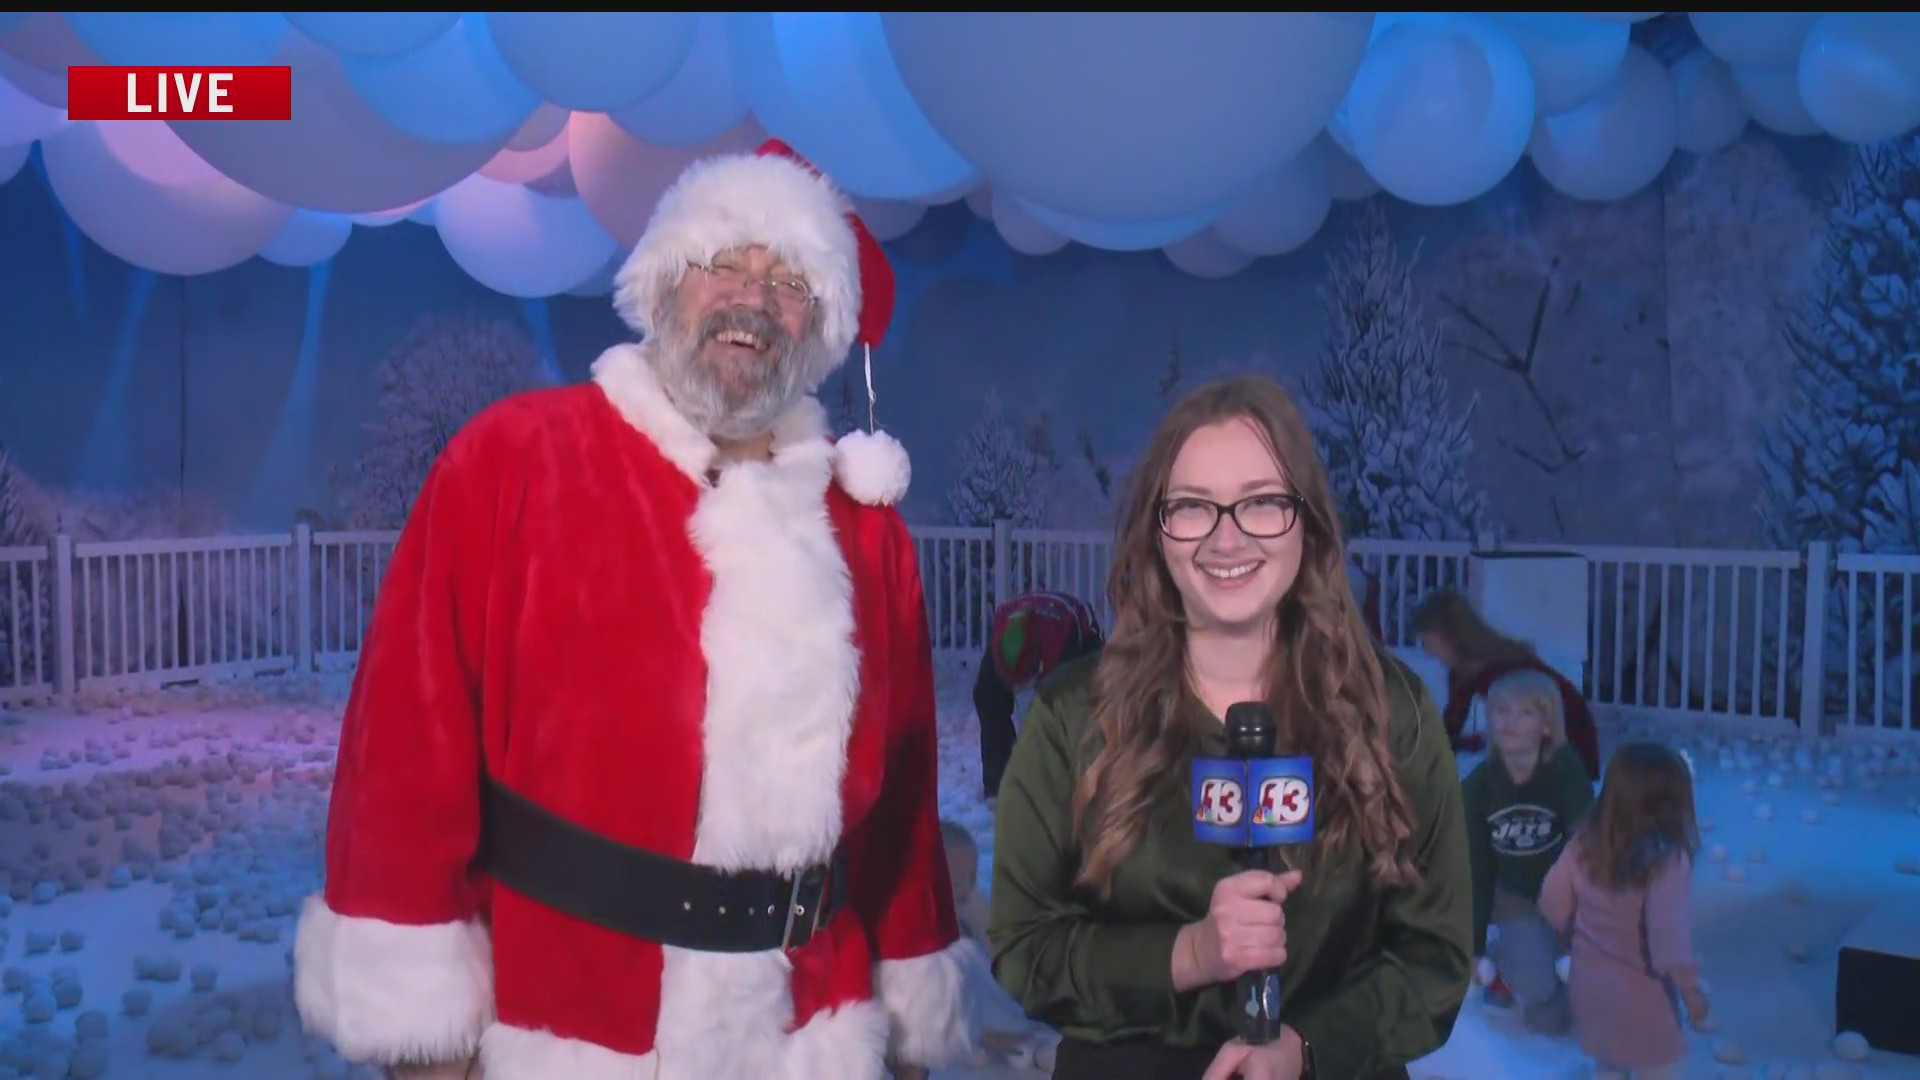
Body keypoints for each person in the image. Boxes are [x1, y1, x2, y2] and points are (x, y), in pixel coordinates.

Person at [291, 139, 980, 1080]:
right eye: (723, 264)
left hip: (809, 1042)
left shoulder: (868, 536)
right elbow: (406, 760)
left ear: (820, 329)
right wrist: (426, 1037)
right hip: (565, 1033)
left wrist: (907, 1027)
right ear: (660, 288)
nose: (752, 299)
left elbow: (902, 810)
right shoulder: (514, 463)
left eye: (788, 282)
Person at [988, 375, 1474, 1080]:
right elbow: (1024, 947)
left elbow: (1435, 957)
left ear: (1307, 520)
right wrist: (1187, 954)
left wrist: (1308, 1048)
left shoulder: (1391, 712)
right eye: (1192, 508)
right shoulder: (1074, 717)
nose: (1226, 536)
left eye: (1261, 503)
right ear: (1156, 532)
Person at [1538, 742, 1708, 1080]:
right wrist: (1691, 991)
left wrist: (1572, 936)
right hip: (1641, 997)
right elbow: (1667, 942)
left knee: (1609, 1063)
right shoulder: (1668, 862)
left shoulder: (1584, 844)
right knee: (1660, 1068)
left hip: (1589, 989)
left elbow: (1551, 900)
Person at [1460, 669, 1593, 1032]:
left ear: (1547, 727)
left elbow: (1588, 847)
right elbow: (1477, 869)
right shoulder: (1479, 787)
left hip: (1568, 898)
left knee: (1592, 992)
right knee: (1546, 1016)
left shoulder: (1565, 771)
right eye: (1501, 711)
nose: (1509, 721)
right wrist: (1474, 948)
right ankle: (1506, 967)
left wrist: (1585, 919)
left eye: (1525, 713)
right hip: (1516, 898)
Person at [1410, 587, 1601, 779]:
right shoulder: (1468, 669)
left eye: (1426, 641)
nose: (1426, 650)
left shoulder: (1500, 668)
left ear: (1445, 637)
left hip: (1571, 750)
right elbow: (1449, 732)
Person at [976, 588, 1104, 800]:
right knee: (987, 696)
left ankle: (1077, 777)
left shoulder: (1060, 643)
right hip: (1026, 624)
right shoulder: (999, 636)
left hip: (1078, 630)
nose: (1021, 688)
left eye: (1024, 680)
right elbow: (988, 691)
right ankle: (998, 783)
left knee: (1077, 703)